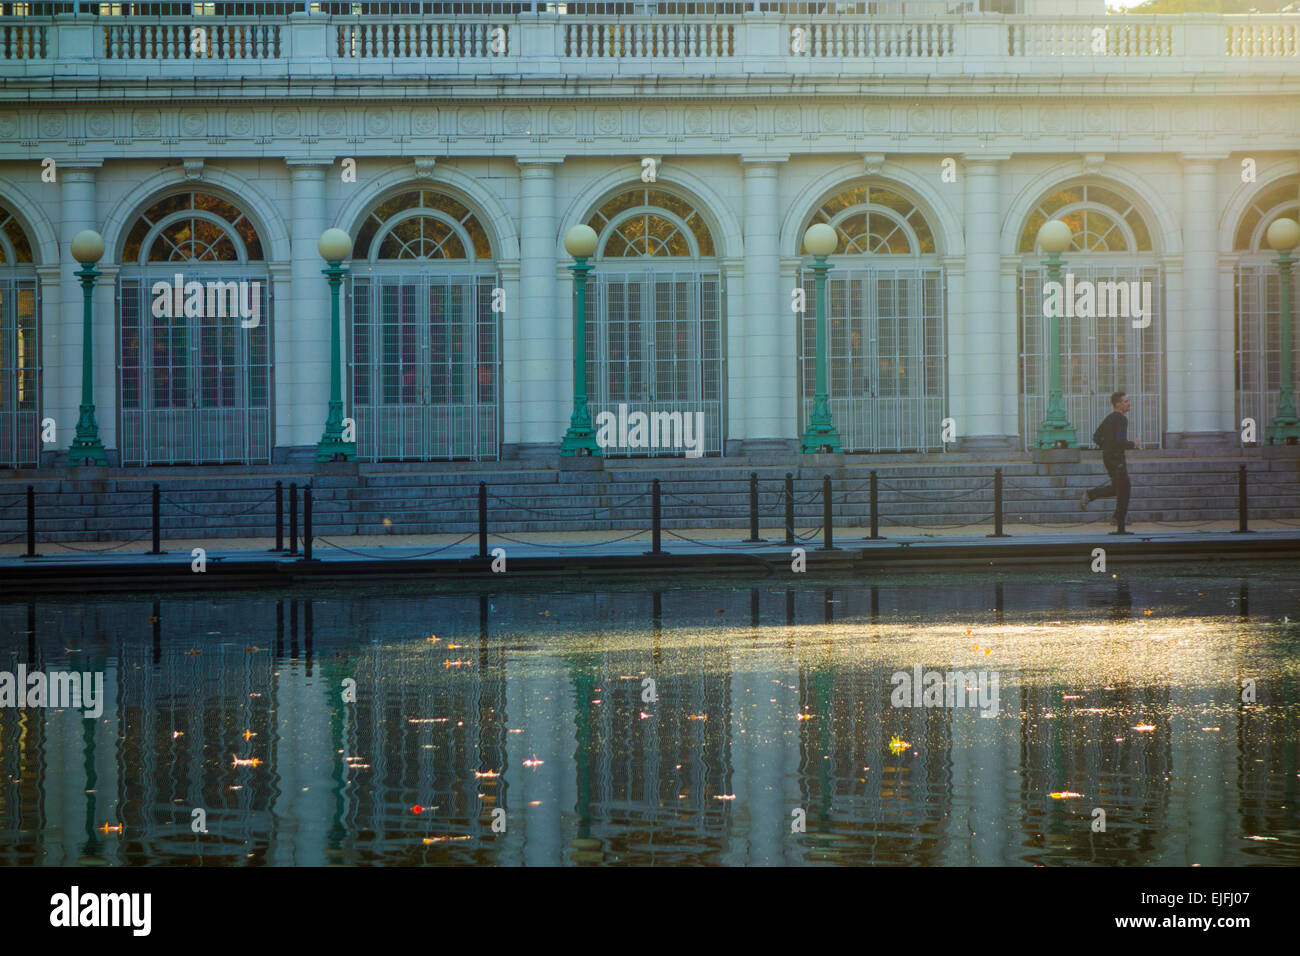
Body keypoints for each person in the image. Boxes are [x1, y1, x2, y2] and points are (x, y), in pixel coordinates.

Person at [1080, 391, 1139, 527]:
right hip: (1116, 459)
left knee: (1118, 487)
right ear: (1118, 404)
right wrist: (1133, 444)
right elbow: (1120, 441)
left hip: (1108, 458)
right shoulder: (1121, 419)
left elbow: (1096, 437)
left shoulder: (1109, 418)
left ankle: (1094, 498)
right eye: (1126, 401)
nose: (1129, 404)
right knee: (1124, 487)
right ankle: (1118, 519)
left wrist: (1107, 447)